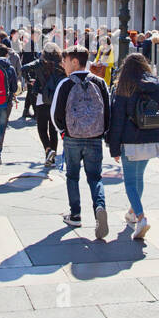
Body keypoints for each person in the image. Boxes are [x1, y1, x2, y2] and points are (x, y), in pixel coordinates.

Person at [107, 52, 159, 241]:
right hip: (151, 139)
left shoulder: (124, 87)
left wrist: (114, 148)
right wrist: (152, 123)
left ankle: (141, 218)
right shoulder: (154, 85)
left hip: (130, 139)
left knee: (129, 182)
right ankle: (133, 212)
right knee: (139, 178)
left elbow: (117, 120)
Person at [51, 44, 111, 237]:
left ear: (75, 61)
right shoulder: (100, 83)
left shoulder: (66, 83)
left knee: (72, 176)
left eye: (65, 60)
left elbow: (55, 113)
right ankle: (99, 207)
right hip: (95, 137)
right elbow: (108, 110)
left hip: (72, 137)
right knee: (95, 177)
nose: (63, 64)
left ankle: (75, 214)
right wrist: (102, 132)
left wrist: (62, 131)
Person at [23, 43, 66, 165]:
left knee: (41, 128)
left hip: (42, 98)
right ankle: (52, 154)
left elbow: (24, 68)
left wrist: (29, 80)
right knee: (53, 129)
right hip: (55, 99)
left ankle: (47, 149)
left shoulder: (40, 63)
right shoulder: (60, 64)